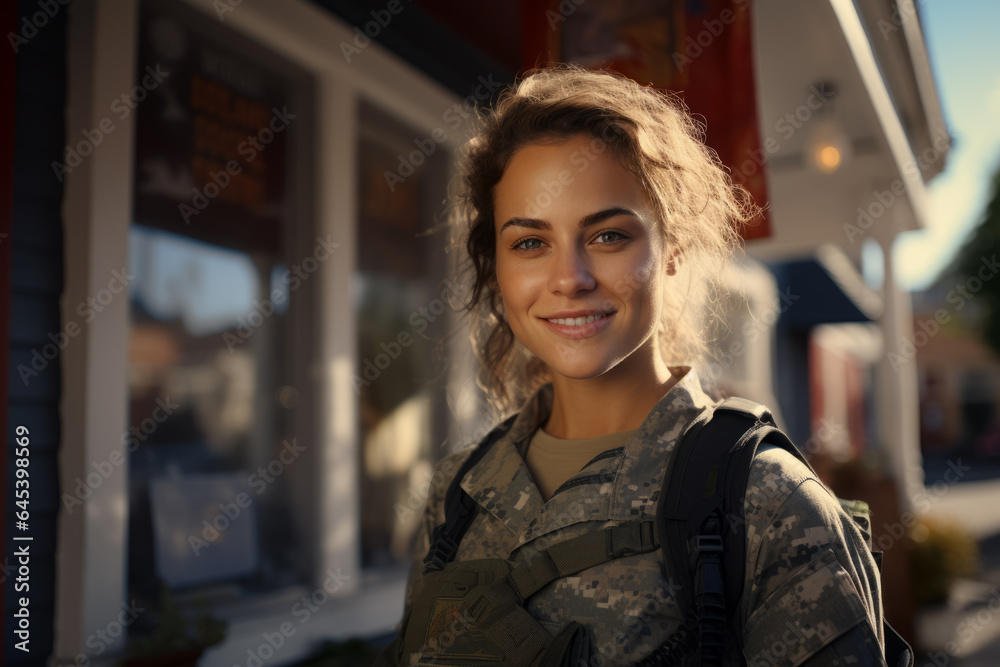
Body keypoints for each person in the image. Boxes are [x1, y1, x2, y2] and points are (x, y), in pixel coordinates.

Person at [380, 64, 890, 666]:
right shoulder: (458, 490)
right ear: (496, 269)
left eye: (609, 236)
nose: (569, 278)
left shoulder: (764, 500)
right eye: (529, 242)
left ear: (671, 248)